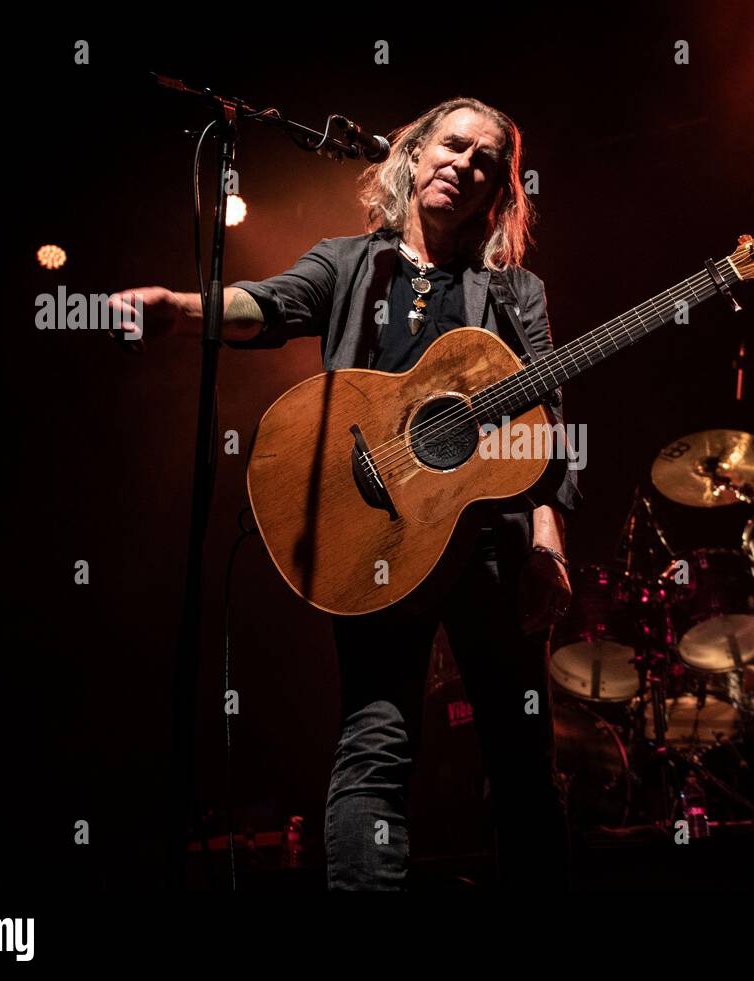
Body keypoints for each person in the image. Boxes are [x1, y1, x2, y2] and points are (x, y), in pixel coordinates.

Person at [111, 96, 581, 890]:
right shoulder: (349, 263)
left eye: (486, 162)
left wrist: (548, 538)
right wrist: (178, 310)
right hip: (380, 533)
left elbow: (546, 421)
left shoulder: (515, 293)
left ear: (499, 190)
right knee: (376, 736)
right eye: (453, 146)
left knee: (521, 751)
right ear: (413, 151)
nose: (464, 164)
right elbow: (266, 304)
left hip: (494, 538)